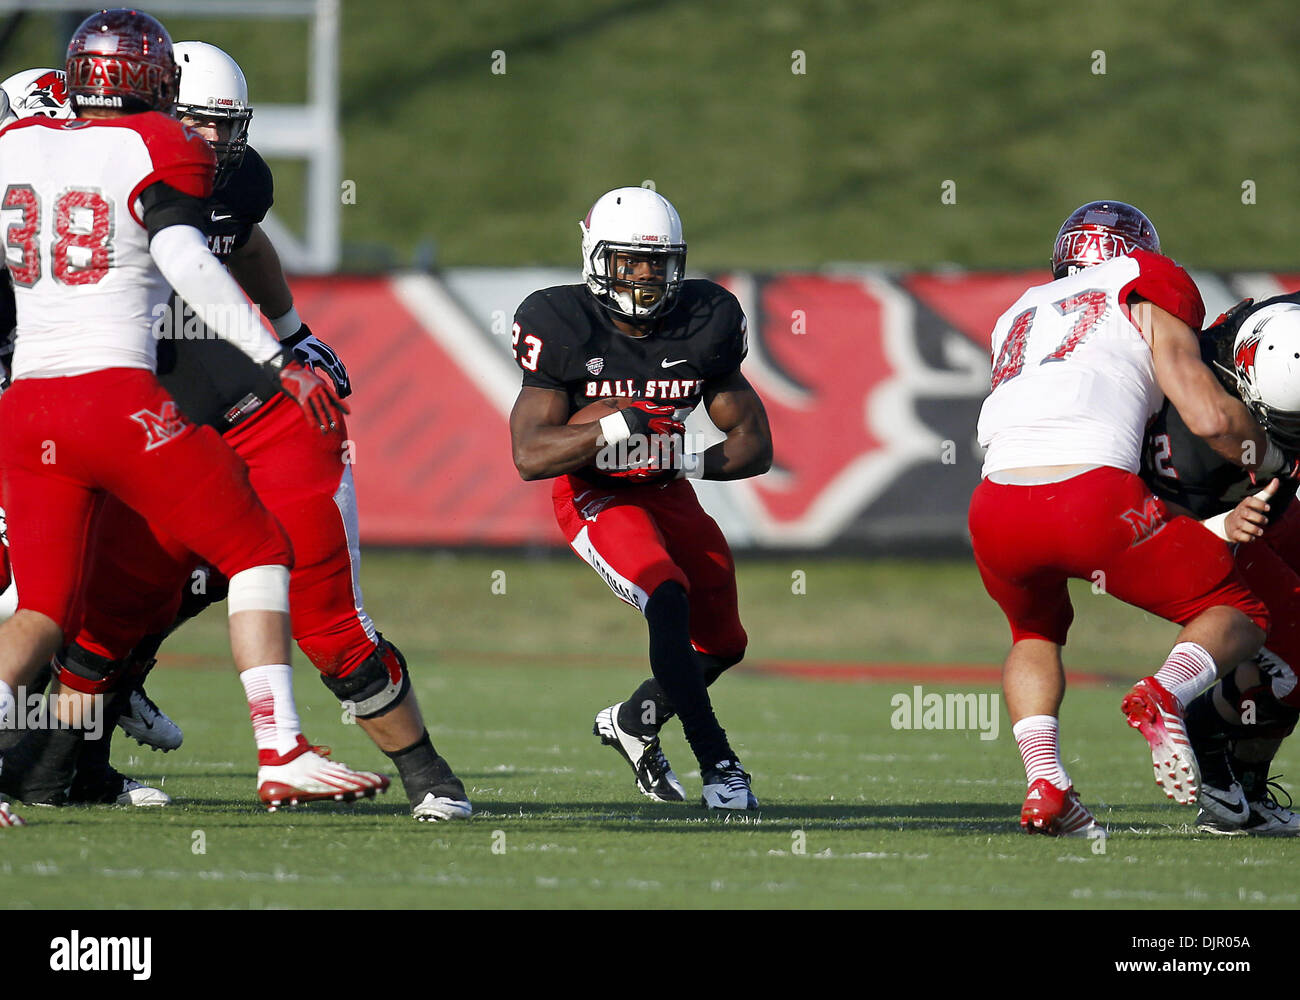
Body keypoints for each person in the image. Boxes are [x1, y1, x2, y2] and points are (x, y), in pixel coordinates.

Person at [0, 42, 470, 823]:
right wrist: (279, 351)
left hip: (234, 420)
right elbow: (183, 258)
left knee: (321, 615)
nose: (214, 146)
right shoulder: (124, 160)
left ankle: (426, 773)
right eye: (199, 126)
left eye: (227, 128)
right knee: (97, 612)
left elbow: (240, 241)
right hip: (138, 415)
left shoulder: (201, 176)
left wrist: (291, 330)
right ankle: (81, 763)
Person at [969, 200, 1283, 837]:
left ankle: (1045, 782)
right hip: (1089, 494)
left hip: (994, 504)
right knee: (1242, 614)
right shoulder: (1147, 276)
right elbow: (1209, 416)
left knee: (1033, 636)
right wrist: (1274, 458)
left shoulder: (1019, 310)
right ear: (1138, 250)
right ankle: (1166, 692)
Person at [508, 186, 772, 810]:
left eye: (659, 262)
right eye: (631, 261)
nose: (648, 276)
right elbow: (530, 455)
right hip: (596, 496)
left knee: (724, 644)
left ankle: (634, 720)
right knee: (666, 592)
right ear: (597, 258)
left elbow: (755, 444)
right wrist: (620, 423)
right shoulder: (561, 322)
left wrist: (678, 454)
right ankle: (720, 764)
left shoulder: (707, 318)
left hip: (666, 489)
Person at [1142, 294, 1300, 835]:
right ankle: (1211, 741)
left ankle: (1248, 784)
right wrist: (1223, 528)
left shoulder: (1281, 327)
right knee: (1294, 657)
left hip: (1273, 500)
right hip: (1227, 520)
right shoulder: (1194, 439)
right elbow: (1164, 536)